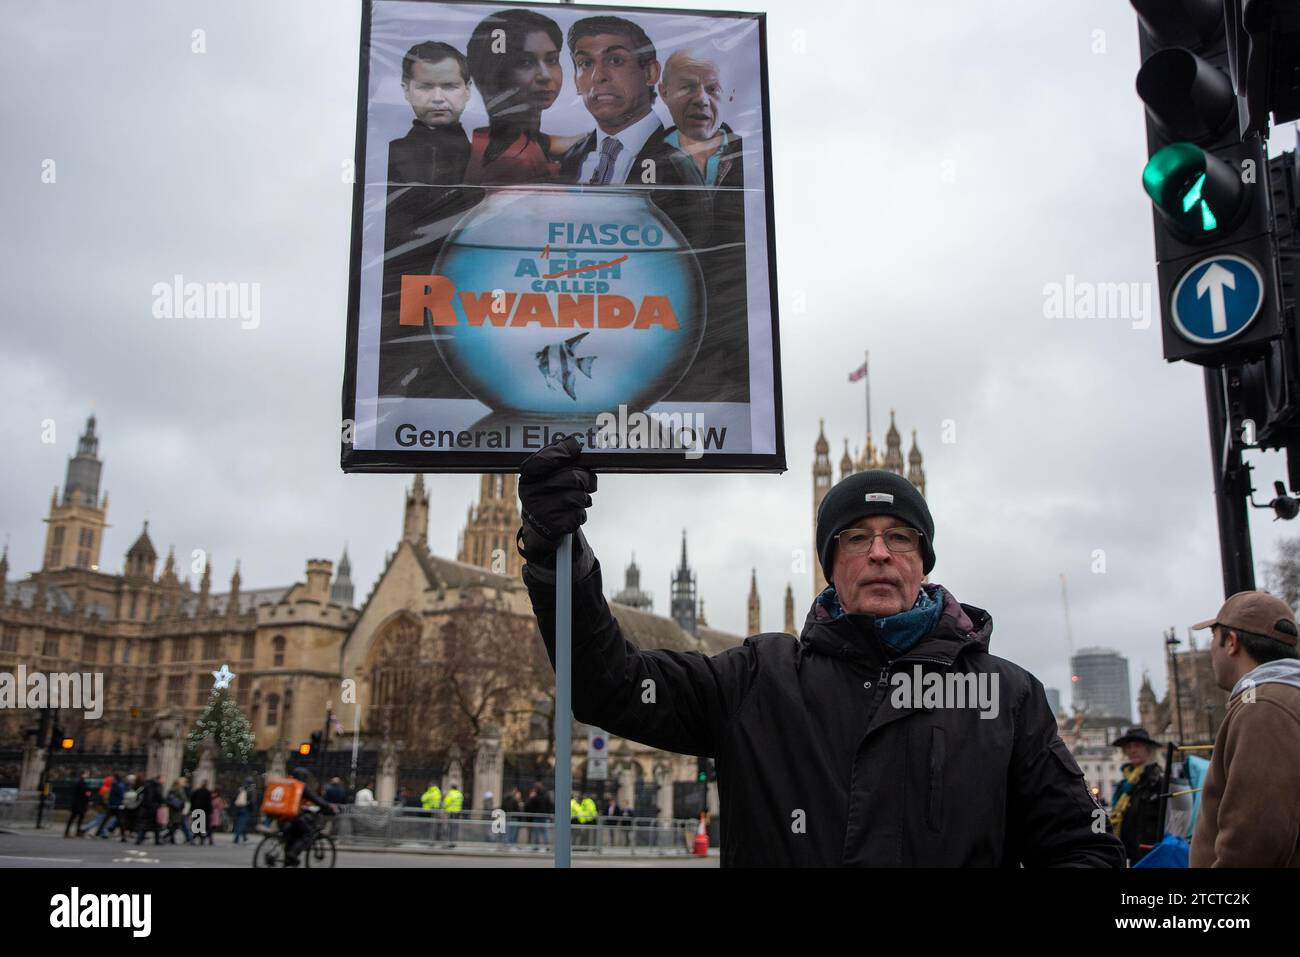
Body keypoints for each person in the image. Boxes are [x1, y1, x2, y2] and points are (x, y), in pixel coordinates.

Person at [515, 437, 1126, 867]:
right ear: (831, 565)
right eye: (857, 538)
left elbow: (1084, 849)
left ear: (923, 560)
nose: (880, 553)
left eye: (900, 538)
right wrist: (554, 552)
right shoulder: (759, 679)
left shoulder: (1007, 696)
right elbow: (609, 685)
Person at [1189, 591, 1300, 867]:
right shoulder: (1277, 698)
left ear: (1232, 643)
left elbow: (1256, 834)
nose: (1210, 651)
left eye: (1213, 639)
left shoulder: (1263, 705)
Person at [559, 16, 677, 188]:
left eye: (615, 60)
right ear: (576, 81)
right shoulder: (572, 158)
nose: (598, 76)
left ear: (650, 73)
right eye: (586, 63)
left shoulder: (684, 156)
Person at [464, 9, 569, 185]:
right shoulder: (515, 159)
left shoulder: (488, 139)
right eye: (525, 62)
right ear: (496, 73)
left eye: (552, 60)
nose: (545, 75)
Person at [387, 41, 472, 189]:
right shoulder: (385, 156)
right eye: (425, 87)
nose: (437, 98)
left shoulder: (482, 158)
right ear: (406, 91)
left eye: (450, 86)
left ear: (468, 89)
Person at [1108, 727, 1166, 865]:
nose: (1132, 750)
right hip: (1132, 857)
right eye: (1129, 746)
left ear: (1148, 750)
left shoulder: (1157, 781)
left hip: (1152, 855)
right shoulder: (1126, 784)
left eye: (1137, 746)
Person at [281, 768, 338, 868]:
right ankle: (292, 854)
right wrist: (328, 807)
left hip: (281, 815)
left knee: (292, 836)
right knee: (308, 832)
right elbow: (315, 799)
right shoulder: (300, 786)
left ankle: (288, 859)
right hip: (293, 816)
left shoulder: (287, 784)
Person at [134, 775, 165, 846]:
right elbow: (159, 796)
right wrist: (162, 803)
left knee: (145, 824)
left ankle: (139, 839)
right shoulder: (157, 786)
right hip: (154, 807)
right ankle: (156, 840)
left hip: (145, 807)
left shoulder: (147, 784)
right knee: (156, 824)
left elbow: (138, 793)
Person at [64, 773, 92, 838]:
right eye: (86, 774)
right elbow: (86, 792)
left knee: (77, 818)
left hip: (78, 803)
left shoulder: (79, 782)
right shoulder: (81, 782)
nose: (88, 775)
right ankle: (71, 832)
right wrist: (89, 796)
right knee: (76, 818)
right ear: (82, 774)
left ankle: (74, 832)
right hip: (80, 804)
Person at [164, 777, 192, 845]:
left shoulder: (181, 789)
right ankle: (189, 838)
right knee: (180, 825)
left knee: (177, 825)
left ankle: (170, 838)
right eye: (183, 782)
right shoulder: (175, 790)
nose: (184, 783)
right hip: (177, 811)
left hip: (180, 810)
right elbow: (172, 800)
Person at [524, 782, 552, 849]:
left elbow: (529, 805)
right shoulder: (546, 795)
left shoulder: (535, 796)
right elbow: (549, 805)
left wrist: (531, 798)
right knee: (544, 832)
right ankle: (547, 846)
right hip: (544, 816)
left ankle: (536, 846)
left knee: (537, 832)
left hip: (536, 816)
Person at [231, 777, 256, 844]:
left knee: (241, 822)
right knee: (242, 823)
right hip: (246, 808)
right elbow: (253, 801)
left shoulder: (240, 789)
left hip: (239, 807)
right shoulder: (251, 790)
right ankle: (236, 837)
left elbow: (234, 798)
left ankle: (245, 837)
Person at [189, 780, 213, 846]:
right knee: (203, 826)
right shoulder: (207, 792)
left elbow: (191, 799)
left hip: (196, 810)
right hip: (204, 811)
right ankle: (201, 839)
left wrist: (192, 808)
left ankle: (193, 839)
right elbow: (209, 803)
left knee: (196, 825)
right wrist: (210, 811)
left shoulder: (197, 791)